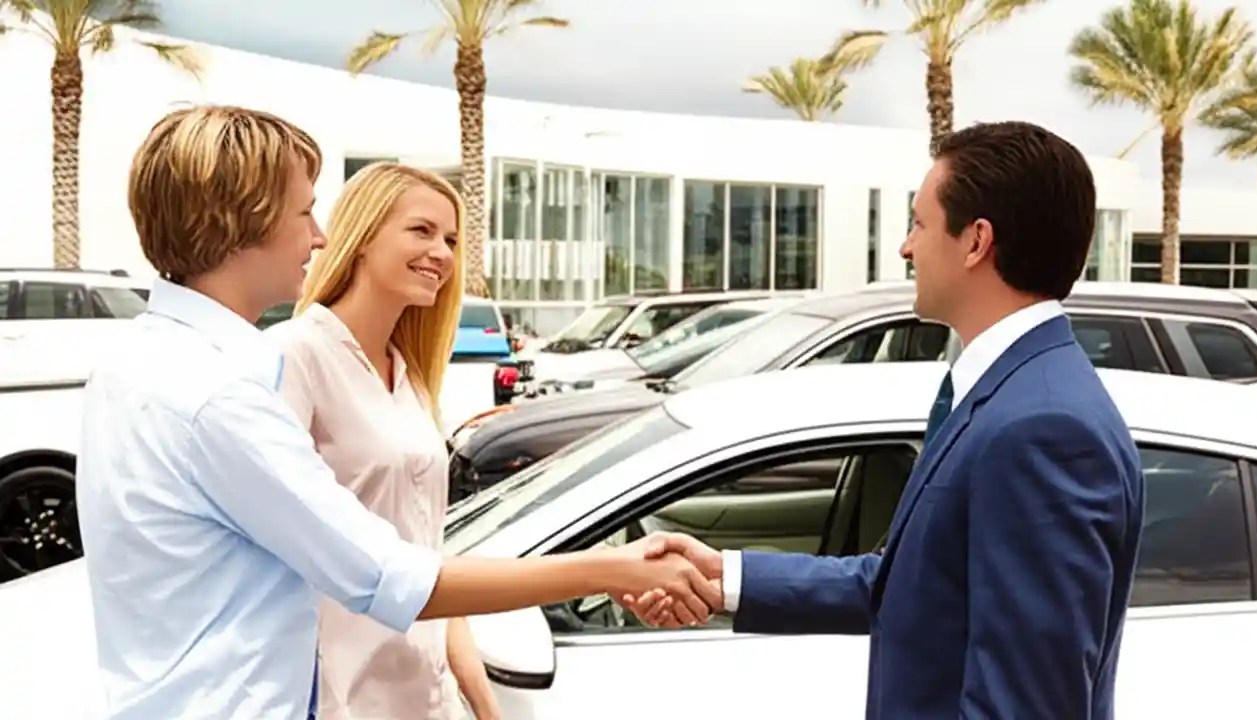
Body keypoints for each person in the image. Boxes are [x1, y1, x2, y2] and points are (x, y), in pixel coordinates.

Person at [74, 105, 716, 720]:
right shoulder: (224, 394)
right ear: (239, 218)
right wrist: (614, 568)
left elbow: (413, 550)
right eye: (303, 212)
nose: (318, 235)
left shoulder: (138, 366)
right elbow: (386, 575)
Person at [624, 121, 1145, 719]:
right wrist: (728, 579)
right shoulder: (1009, 395)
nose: (904, 247)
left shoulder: (1043, 429)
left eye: (919, 224)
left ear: (976, 242)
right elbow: (913, 587)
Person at [263, 162, 493, 719]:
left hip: (426, 699)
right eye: (422, 231)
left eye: (451, 240)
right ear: (362, 237)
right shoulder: (294, 355)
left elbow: (428, 559)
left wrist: (483, 705)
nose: (442, 252)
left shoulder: (409, 375)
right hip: (338, 699)